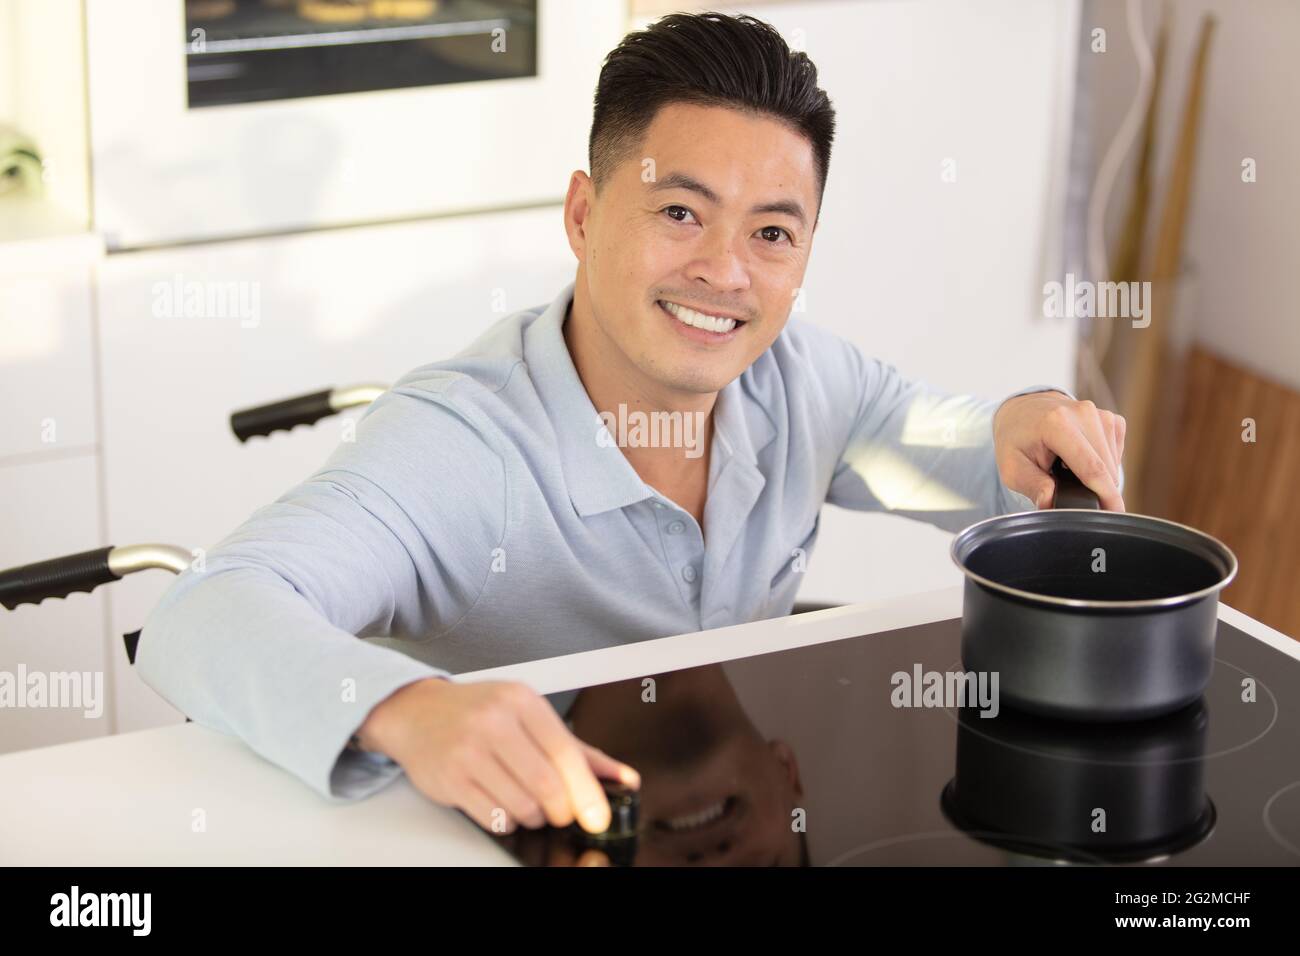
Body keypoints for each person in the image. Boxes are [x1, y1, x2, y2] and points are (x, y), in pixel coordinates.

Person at [138, 12, 1126, 838]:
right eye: (680, 212)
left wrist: (1017, 424)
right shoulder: (460, 448)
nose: (725, 271)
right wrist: (410, 709)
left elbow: (956, 444)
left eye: (771, 232)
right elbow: (204, 610)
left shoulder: (802, 378)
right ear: (582, 213)